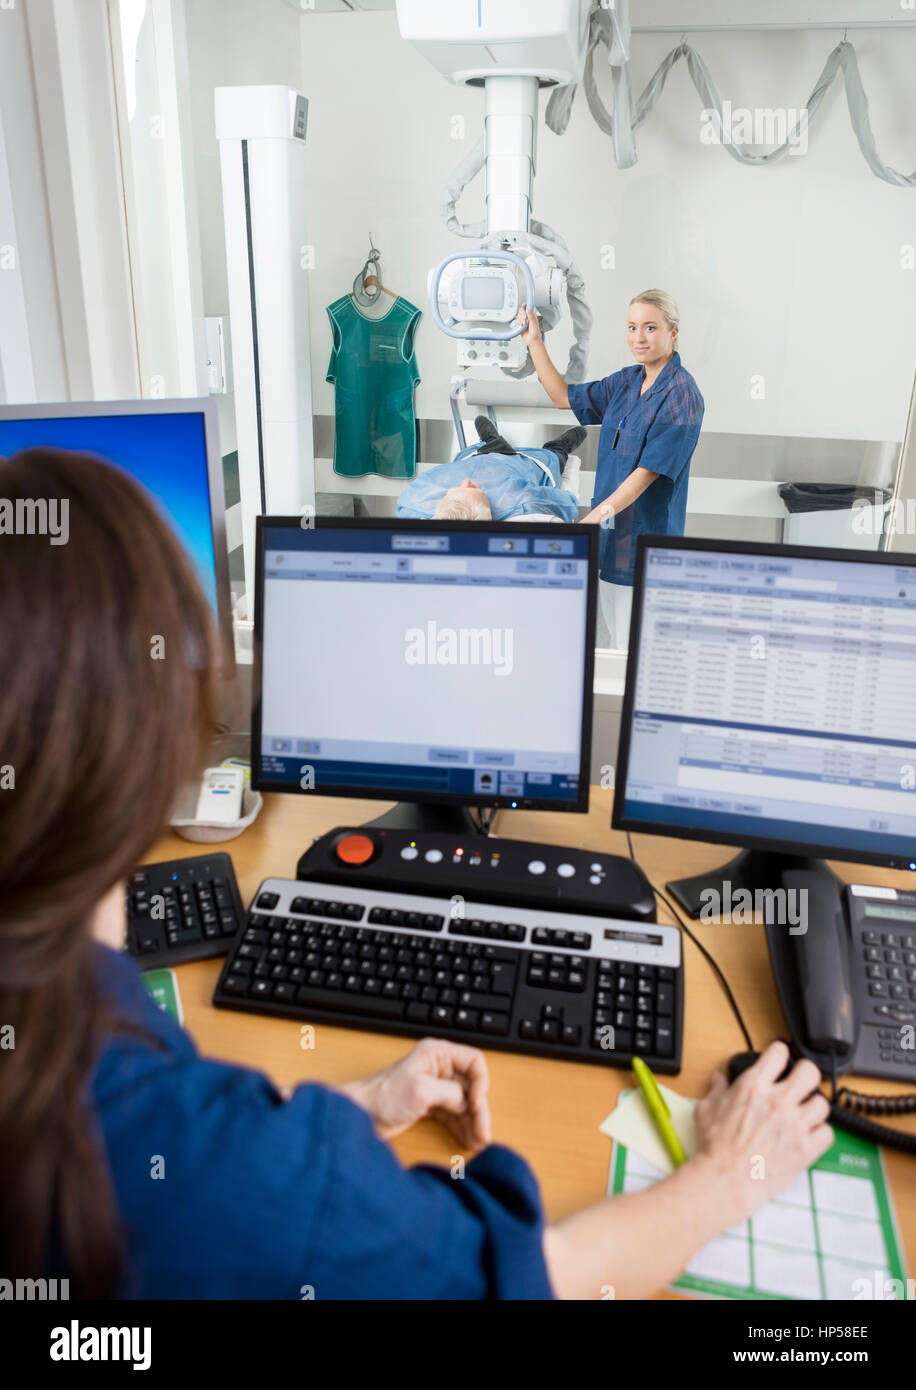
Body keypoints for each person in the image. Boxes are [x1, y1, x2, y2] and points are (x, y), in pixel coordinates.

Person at [0, 448, 832, 1300]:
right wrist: (730, 1172)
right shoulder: (203, 1163)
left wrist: (350, 1112)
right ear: (146, 749)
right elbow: (542, 1279)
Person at [519, 289, 704, 648]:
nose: (639, 337)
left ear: (673, 332)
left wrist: (585, 525)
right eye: (632, 327)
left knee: (635, 655)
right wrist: (534, 341)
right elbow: (561, 396)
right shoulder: (626, 382)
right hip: (609, 541)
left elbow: (641, 479)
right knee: (614, 648)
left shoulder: (682, 394)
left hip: (644, 547)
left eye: (650, 328)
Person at [397, 416, 586, 523]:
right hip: (516, 464)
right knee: (554, 456)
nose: (467, 482)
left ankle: (491, 439)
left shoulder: (417, 498)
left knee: (487, 448)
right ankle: (561, 444)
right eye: (475, 490)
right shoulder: (519, 500)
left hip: (478, 457)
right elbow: (567, 504)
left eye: (458, 489)